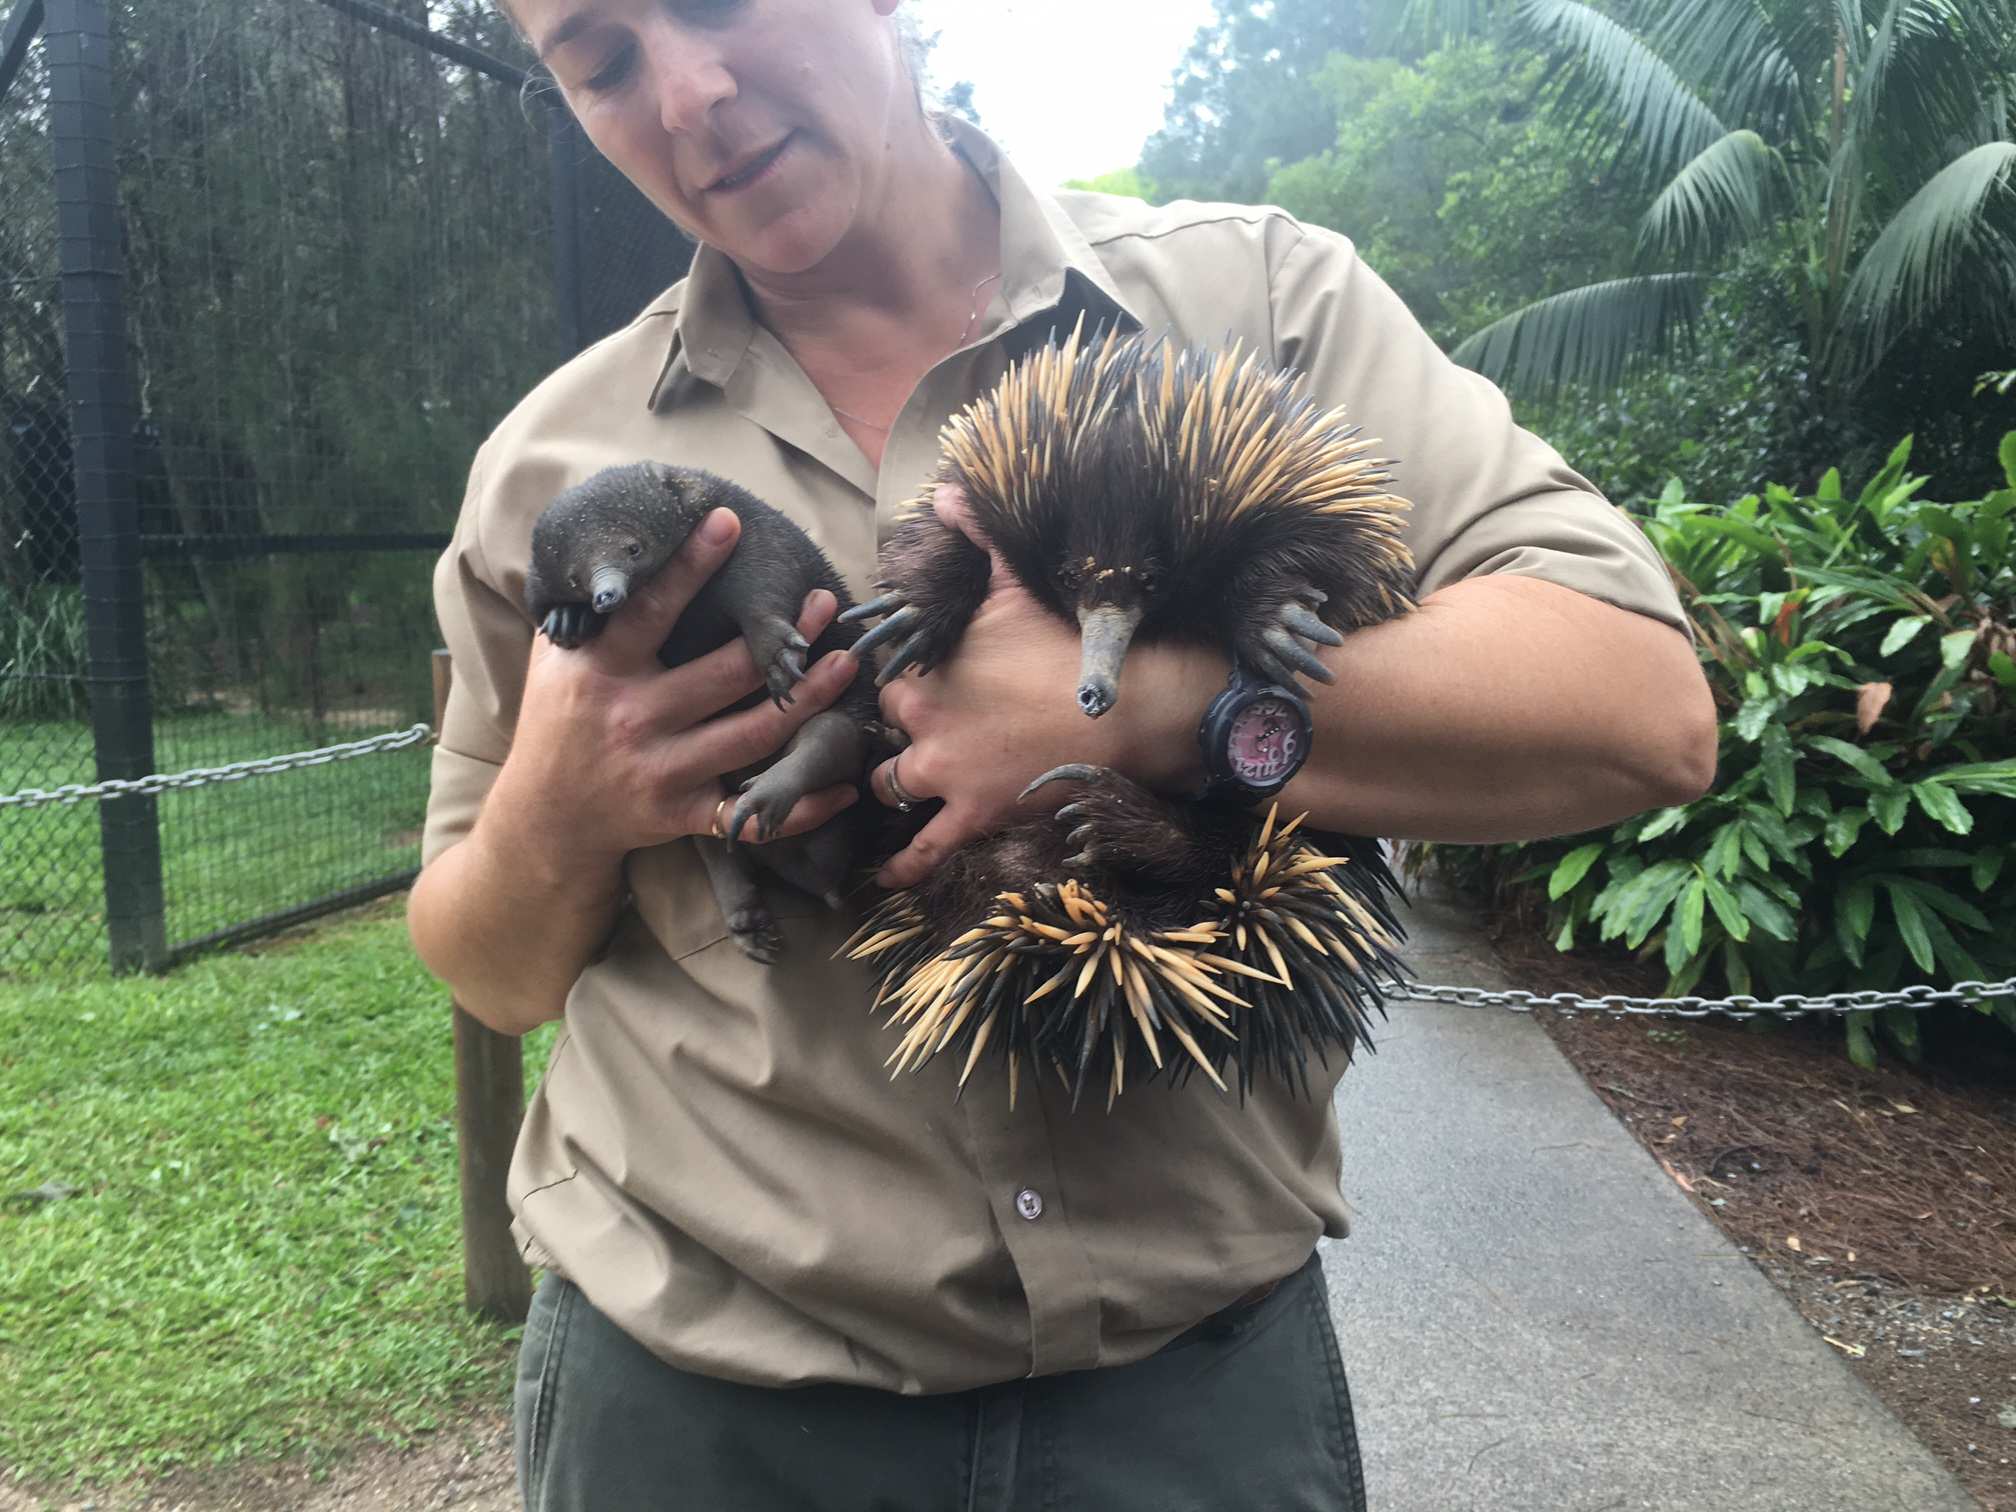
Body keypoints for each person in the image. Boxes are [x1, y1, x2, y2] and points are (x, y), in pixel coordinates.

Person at [408, 2, 1719, 1506]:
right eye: (602, 58)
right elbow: (487, 970)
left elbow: (1647, 708)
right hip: (702, 1404)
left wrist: (1163, 705)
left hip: (1192, 1393)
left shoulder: (1256, 301)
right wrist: (556, 814)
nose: (688, 94)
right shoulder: (555, 468)